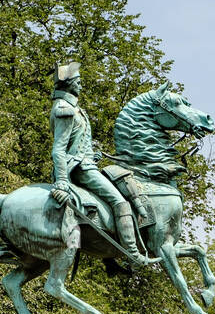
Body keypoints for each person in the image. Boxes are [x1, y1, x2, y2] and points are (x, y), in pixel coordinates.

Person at [49, 62, 154, 268]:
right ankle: (132, 253)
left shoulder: (74, 108)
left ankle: (110, 257)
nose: (80, 85)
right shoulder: (64, 109)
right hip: (80, 170)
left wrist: (91, 155)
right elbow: (58, 149)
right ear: (68, 84)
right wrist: (62, 181)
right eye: (77, 82)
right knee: (120, 202)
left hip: (87, 164)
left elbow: (76, 144)